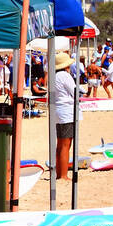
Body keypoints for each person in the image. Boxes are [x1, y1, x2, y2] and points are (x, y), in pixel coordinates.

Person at [49, 51, 77, 179]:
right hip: (67, 111)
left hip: (57, 111)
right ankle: (64, 175)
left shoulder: (53, 76)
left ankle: (59, 172)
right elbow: (74, 91)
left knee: (60, 144)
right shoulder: (65, 76)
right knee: (66, 144)